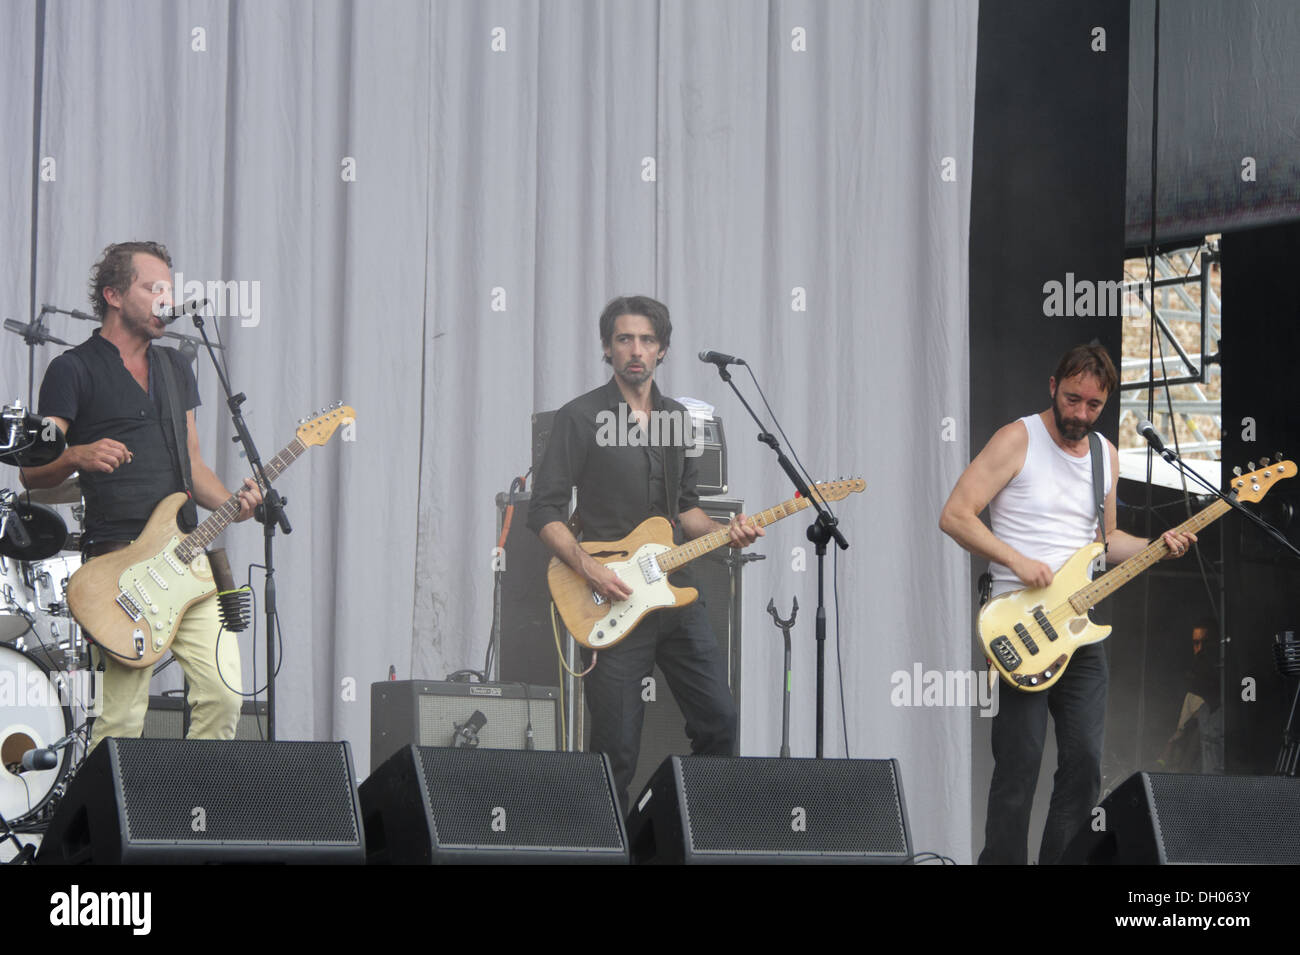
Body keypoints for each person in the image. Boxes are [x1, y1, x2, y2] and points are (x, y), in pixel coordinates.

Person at [939, 343, 1196, 865]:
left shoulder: (1105, 454)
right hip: (1020, 622)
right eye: (1073, 399)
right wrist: (1019, 560)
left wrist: (1153, 547)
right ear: (1053, 386)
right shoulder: (1018, 438)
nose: (1080, 414)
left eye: (1094, 406)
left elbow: (1106, 541)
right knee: (1020, 764)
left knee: (1083, 765)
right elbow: (956, 515)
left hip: (1078, 625)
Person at [20, 241, 261, 751]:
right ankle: (107, 830)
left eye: (169, 290)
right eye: (153, 288)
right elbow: (32, 475)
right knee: (121, 719)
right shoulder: (73, 369)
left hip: (189, 558)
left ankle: (194, 817)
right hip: (119, 567)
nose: (165, 300)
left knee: (223, 697)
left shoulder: (176, 368)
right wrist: (77, 454)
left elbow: (193, 466)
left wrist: (233, 507)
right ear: (113, 294)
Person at [528, 295, 762, 810]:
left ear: (663, 350)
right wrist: (590, 571)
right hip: (612, 598)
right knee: (615, 753)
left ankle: (672, 834)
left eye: (647, 340)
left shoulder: (678, 419)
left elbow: (686, 510)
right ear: (608, 349)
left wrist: (730, 531)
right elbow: (543, 512)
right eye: (625, 339)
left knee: (720, 724)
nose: (636, 350)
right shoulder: (580, 417)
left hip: (675, 598)